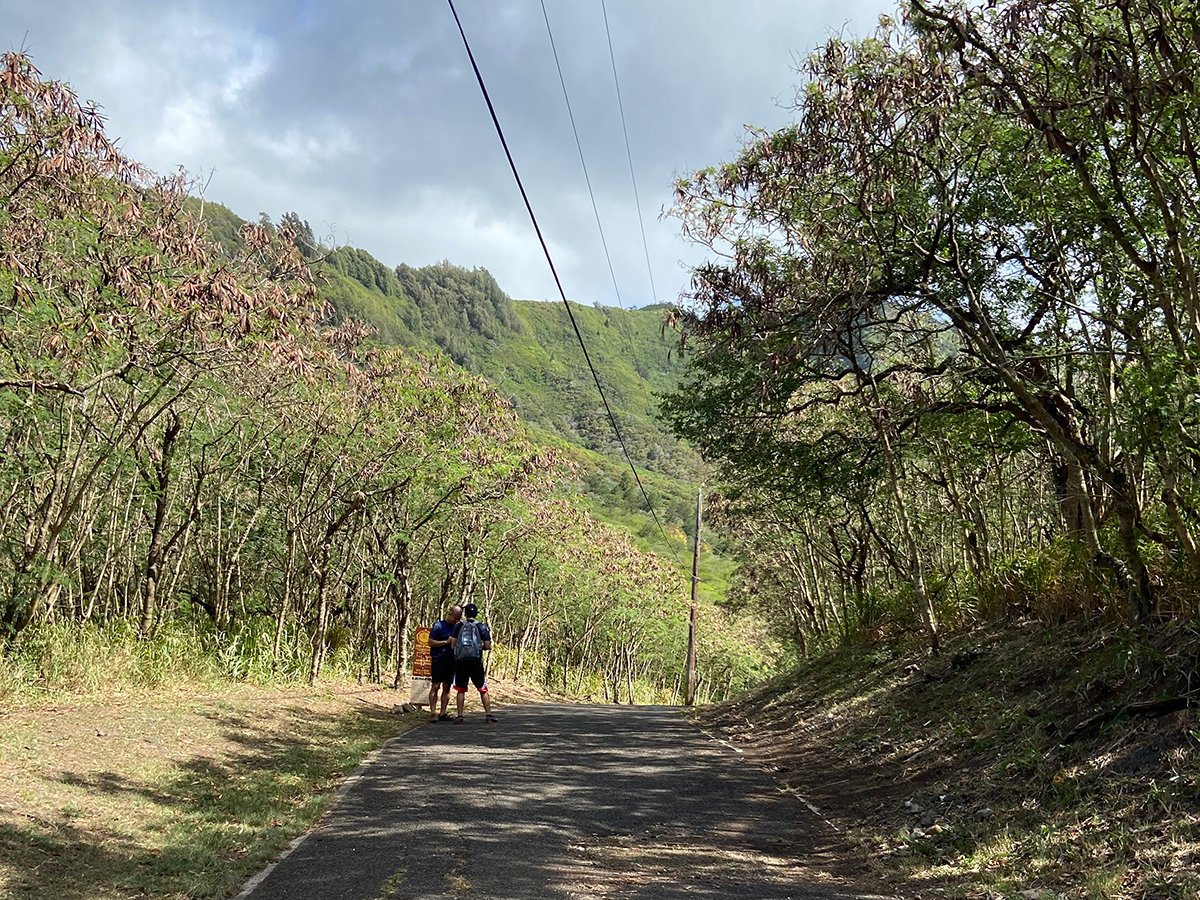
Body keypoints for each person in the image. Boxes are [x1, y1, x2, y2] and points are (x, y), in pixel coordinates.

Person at [450, 603, 496, 723]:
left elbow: (453, 645)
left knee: (460, 689)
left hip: (461, 662)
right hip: (476, 661)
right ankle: (488, 715)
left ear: (465, 614)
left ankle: (460, 715)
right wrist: (480, 648)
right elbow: (487, 646)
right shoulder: (481, 627)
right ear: (476, 614)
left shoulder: (459, 626)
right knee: (482, 688)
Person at [427, 605, 462, 722]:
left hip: (451, 660)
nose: (456, 620)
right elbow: (430, 642)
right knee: (435, 685)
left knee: (447, 687)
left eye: (458, 619)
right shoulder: (439, 626)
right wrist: (445, 642)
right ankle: (433, 712)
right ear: (450, 614)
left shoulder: (457, 627)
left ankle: (442, 713)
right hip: (438, 659)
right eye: (454, 618)